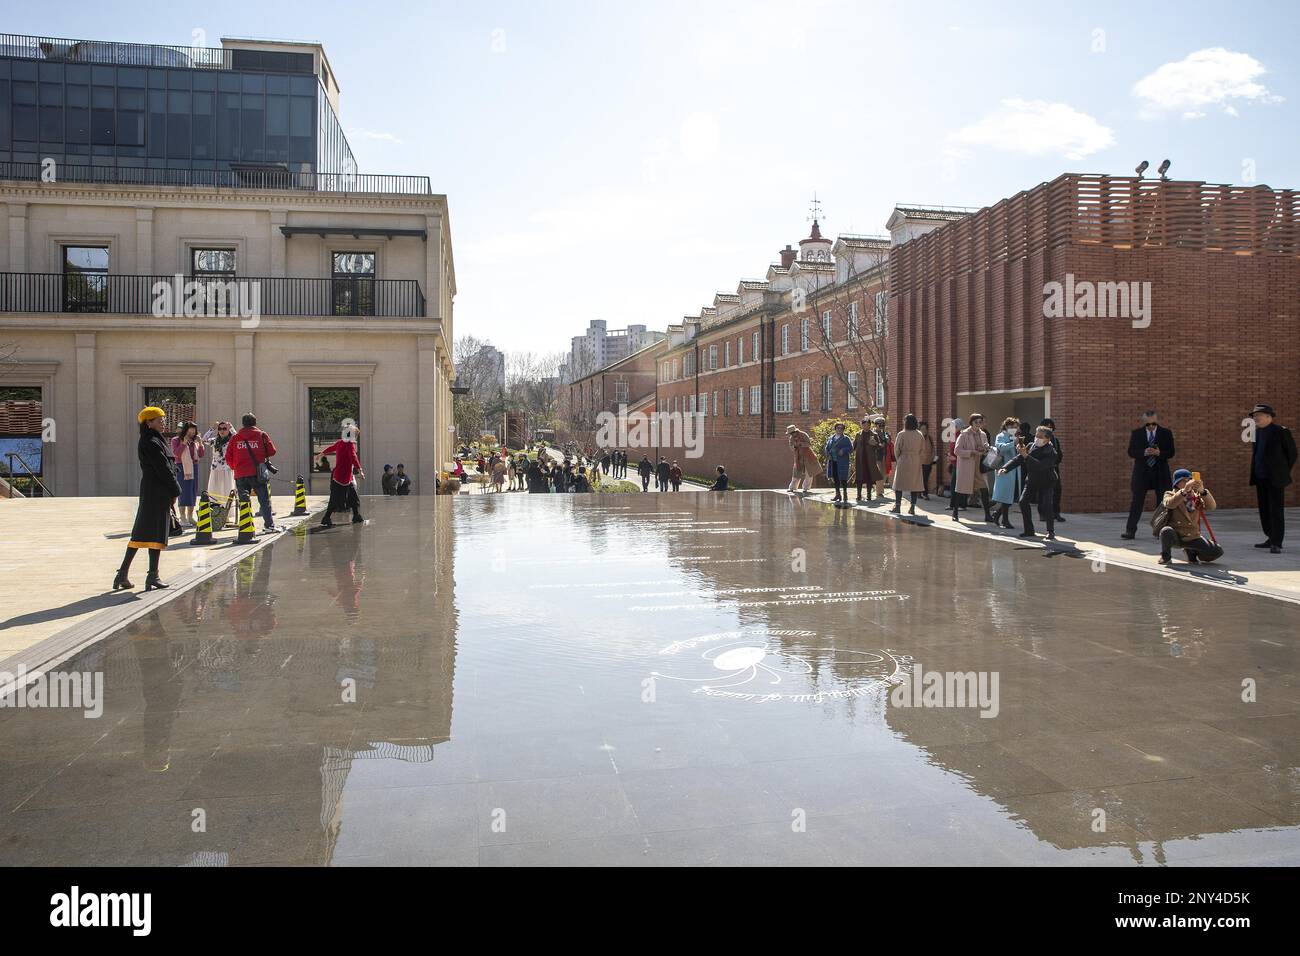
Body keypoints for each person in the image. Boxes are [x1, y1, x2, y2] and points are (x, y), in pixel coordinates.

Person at [113, 406, 182, 592]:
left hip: (157, 490)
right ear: (148, 422)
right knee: (147, 532)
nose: (163, 422)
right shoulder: (150, 442)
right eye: (159, 420)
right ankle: (142, 575)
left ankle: (140, 574)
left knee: (150, 534)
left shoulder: (155, 440)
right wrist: (176, 489)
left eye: (163, 419)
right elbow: (163, 469)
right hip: (156, 491)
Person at [1248, 403, 1297, 553]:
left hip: (1275, 479)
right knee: (1264, 510)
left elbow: (1292, 454)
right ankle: (1270, 537)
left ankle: (1277, 542)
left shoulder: (1281, 432)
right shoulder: (1257, 433)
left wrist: (1281, 471)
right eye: (1254, 416)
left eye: (1258, 415)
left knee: (1276, 510)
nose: (1255, 418)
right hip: (1261, 477)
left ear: (1269, 417)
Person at [998, 425, 1059, 540]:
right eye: (1036, 435)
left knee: (1047, 505)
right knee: (1023, 502)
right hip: (1032, 480)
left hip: (1047, 481)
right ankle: (1029, 530)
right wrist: (1006, 468)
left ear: (1047, 439)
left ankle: (1050, 531)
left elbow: (1039, 466)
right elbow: (1018, 459)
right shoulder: (1031, 446)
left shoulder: (1051, 452)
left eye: (1040, 437)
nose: (1037, 438)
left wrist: (1026, 455)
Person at [1123, 410, 1176, 539]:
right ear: (1144, 423)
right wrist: (1144, 452)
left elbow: (1171, 452)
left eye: (1153, 423)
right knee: (1137, 502)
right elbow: (1131, 452)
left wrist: (1159, 453)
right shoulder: (1137, 434)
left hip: (1160, 472)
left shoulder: (1166, 433)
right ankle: (1130, 530)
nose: (1151, 426)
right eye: (1148, 424)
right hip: (1142, 473)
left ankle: (1160, 531)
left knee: (1162, 503)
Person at [1158, 469, 1224, 565]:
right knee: (1166, 531)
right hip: (1177, 536)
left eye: (1189, 480)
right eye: (1184, 480)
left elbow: (1212, 507)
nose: (1188, 482)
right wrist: (1184, 491)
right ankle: (1165, 556)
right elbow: (1170, 504)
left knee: (1216, 551)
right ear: (1177, 483)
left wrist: (1202, 491)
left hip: (1193, 536)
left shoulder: (1196, 496)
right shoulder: (1169, 494)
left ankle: (1191, 552)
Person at [226, 413, 278, 531]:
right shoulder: (262, 435)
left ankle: (246, 526)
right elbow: (272, 451)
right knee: (264, 500)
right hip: (257, 473)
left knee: (244, 500)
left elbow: (228, 456)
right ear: (255, 423)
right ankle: (269, 526)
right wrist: (261, 454)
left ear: (243, 423)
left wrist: (236, 467)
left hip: (240, 474)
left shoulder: (235, 437)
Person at [318, 427, 365, 527]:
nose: (356, 438)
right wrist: (360, 470)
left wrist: (322, 453)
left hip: (341, 476)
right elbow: (353, 457)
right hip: (343, 477)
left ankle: (356, 515)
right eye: (355, 435)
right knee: (337, 499)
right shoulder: (349, 444)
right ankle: (326, 518)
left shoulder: (340, 442)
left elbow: (331, 448)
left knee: (351, 497)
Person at [951, 414, 991, 522]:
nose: (978, 425)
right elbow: (957, 451)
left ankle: (987, 515)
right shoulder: (964, 434)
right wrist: (971, 452)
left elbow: (985, 445)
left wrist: (985, 448)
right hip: (967, 466)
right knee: (960, 490)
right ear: (971, 423)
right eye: (976, 422)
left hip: (978, 466)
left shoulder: (983, 434)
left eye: (980, 422)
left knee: (984, 490)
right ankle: (955, 512)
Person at [170, 421, 206, 527]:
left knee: (192, 491)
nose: (193, 431)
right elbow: (176, 453)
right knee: (183, 491)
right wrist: (183, 443)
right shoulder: (176, 440)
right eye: (191, 428)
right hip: (181, 467)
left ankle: (190, 516)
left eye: (194, 429)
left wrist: (200, 444)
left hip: (194, 467)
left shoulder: (195, 441)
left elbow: (201, 454)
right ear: (186, 429)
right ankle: (182, 517)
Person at [990, 417, 1022, 530]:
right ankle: (1004, 519)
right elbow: (1001, 448)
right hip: (1003, 468)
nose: (1013, 429)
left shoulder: (1016, 437)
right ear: (1006, 426)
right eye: (1011, 426)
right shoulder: (1001, 436)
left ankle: (997, 515)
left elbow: (1018, 452)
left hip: (1015, 468)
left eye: (1015, 426)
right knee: (1005, 496)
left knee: (1010, 496)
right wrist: (1013, 443)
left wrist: (1020, 446)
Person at [891, 414, 926, 515]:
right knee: (914, 485)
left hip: (904, 459)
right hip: (915, 460)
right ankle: (912, 507)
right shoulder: (919, 434)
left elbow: (896, 449)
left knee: (899, 484)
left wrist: (899, 459)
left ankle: (897, 506)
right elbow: (922, 449)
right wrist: (918, 457)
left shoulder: (902, 434)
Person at [202, 421, 236, 524]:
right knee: (215, 491)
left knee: (227, 491)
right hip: (215, 469)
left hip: (227, 469)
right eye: (220, 429)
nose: (222, 431)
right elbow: (204, 440)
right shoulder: (214, 440)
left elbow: (239, 438)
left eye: (224, 429)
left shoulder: (231, 440)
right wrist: (212, 428)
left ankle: (227, 515)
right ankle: (215, 512)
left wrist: (232, 429)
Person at [854, 417, 884, 503]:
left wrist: (876, 444)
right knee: (859, 477)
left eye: (867, 425)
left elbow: (879, 446)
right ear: (861, 425)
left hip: (870, 459)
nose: (866, 426)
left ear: (870, 425)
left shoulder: (874, 435)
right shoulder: (858, 434)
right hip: (860, 459)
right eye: (864, 425)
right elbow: (854, 446)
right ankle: (858, 495)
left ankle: (869, 495)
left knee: (869, 477)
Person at [1041, 417, 1064, 522]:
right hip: (1043, 469)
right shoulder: (1039, 440)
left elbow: (1059, 454)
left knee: (1057, 490)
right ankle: (1043, 513)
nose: (1049, 429)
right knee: (1044, 492)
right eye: (1047, 427)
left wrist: (1055, 462)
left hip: (1054, 468)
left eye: (1051, 428)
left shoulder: (1055, 440)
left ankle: (1056, 513)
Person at [825, 422, 853, 504]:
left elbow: (851, 448)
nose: (840, 430)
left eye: (841, 428)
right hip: (833, 461)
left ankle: (845, 494)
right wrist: (828, 455)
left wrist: (843, 450)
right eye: (838, 428)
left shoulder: (846, 439)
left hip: (842, 462)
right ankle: (838, 494)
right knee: (835, 478)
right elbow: (827, 448)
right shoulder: (831, 438)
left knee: (843, 478)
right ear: (835, 429)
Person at [786, 425, 819, 495]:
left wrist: (801, 444)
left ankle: (806, 488)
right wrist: (794, 446)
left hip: (808, 456)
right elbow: (791, 447)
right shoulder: (791, 438)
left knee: (809, 473)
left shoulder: (804, 434)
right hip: (798, 457)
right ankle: (792, 487)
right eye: (790, 433)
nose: (791, 434)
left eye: (792, 433)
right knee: (796, 473)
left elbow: (809, 444)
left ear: (796, 431)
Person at [918, 421, 936, 500]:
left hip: (928, 461)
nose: (924, 430)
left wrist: (932, 458)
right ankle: (923, 493)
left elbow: (933, 449)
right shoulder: (918, 438)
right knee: (921, 478)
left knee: (926, 478)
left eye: (925, 429)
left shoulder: (930, 438)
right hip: (919, 462)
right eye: (922, 429)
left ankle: (922, 493)